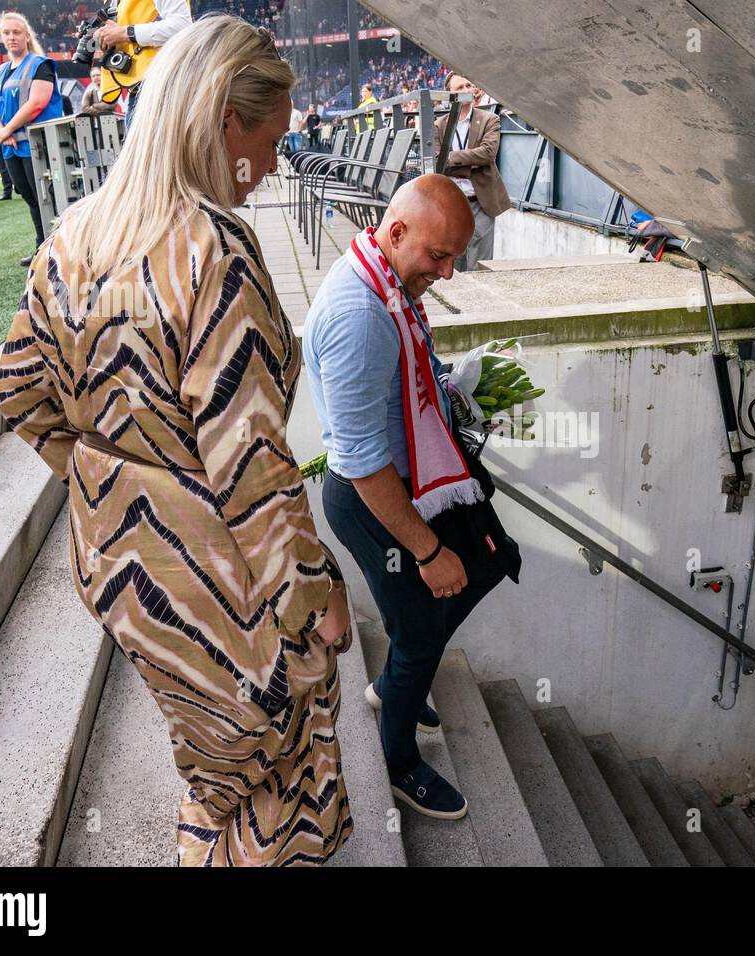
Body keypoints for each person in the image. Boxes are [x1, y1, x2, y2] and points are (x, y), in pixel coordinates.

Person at [0, 15, 355, 867]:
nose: (271, 164)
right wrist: (315, 606)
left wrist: (113, 480)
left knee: (210, 772)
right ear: (226, 117)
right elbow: (255, 481)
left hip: (122, 576)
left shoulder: (74, 235)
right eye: (269, 140)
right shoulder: (216, 252)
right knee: (284, 793)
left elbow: (18, 396)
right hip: (222, 588)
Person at [303, 174, 510, 820]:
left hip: (404, 486)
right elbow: (363, 465)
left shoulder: (384, 279)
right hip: (376, 502)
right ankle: (399, 764)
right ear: (396, 233)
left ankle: (396, 682)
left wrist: (455, 391)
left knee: (490, 560)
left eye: (456, 257)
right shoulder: (360, 316)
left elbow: (409, 381)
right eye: (439, 255)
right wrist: (425, 551)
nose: (447, 274)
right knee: (421, 631)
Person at [0, 12, 63, 266]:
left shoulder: (40, 65)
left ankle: (59, 247)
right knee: (30, 197)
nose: (11, 37)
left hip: (37, 144)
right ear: (1, 37)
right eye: (6, 33)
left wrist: (5, 130)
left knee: (47, 198)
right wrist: (2, 132)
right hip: (11, 145)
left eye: (16, 32)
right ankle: (42, 246)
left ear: (27, 36)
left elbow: (37, 103)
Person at [434, 73, 510, 271]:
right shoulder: (439, 125)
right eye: (459, 88)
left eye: (468, 85)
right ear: (448, 93)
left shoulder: (489, 119)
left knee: (480, 265)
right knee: (454, 261)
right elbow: (436, 162)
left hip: (481, 200)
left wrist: (451, 157)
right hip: (451, 203)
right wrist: (468, 161)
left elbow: (487, 154)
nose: (465, 90)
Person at [93, 0, 192, 127]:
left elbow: (182, 26)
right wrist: (104, 36)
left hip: (164, 84)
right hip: (141, 86)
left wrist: (126, 33)